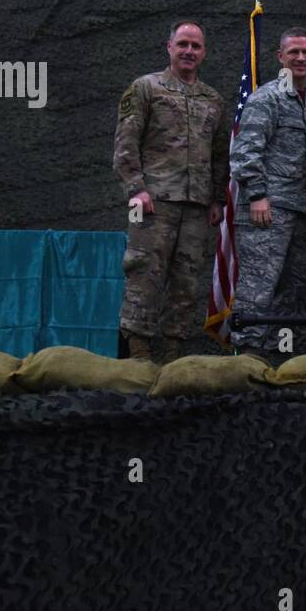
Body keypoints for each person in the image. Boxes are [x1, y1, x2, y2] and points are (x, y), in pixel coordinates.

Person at [112, 20, 229, 363]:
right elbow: (125, 143)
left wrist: (217, 199)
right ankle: (139, 351)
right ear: (170, 47)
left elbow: (219, 155)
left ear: (204, 52)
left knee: (186, 280)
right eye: (183, 44)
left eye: (195, 46)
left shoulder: (213, 100)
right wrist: (136, 189)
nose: (189, 51)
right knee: (144, 273)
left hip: (195, 205)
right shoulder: (145, 88)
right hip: (152, 201)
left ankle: (175, 352)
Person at [228, 27, 306, 354]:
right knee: (258, 288)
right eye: (293, 52)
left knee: (293, 293)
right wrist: (257, 195)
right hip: (265, 211)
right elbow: (245, 151)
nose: (300, 58)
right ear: (280, 57)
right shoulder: (267, 97)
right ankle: (245, 356)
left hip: (297, 212)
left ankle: (281, 358)